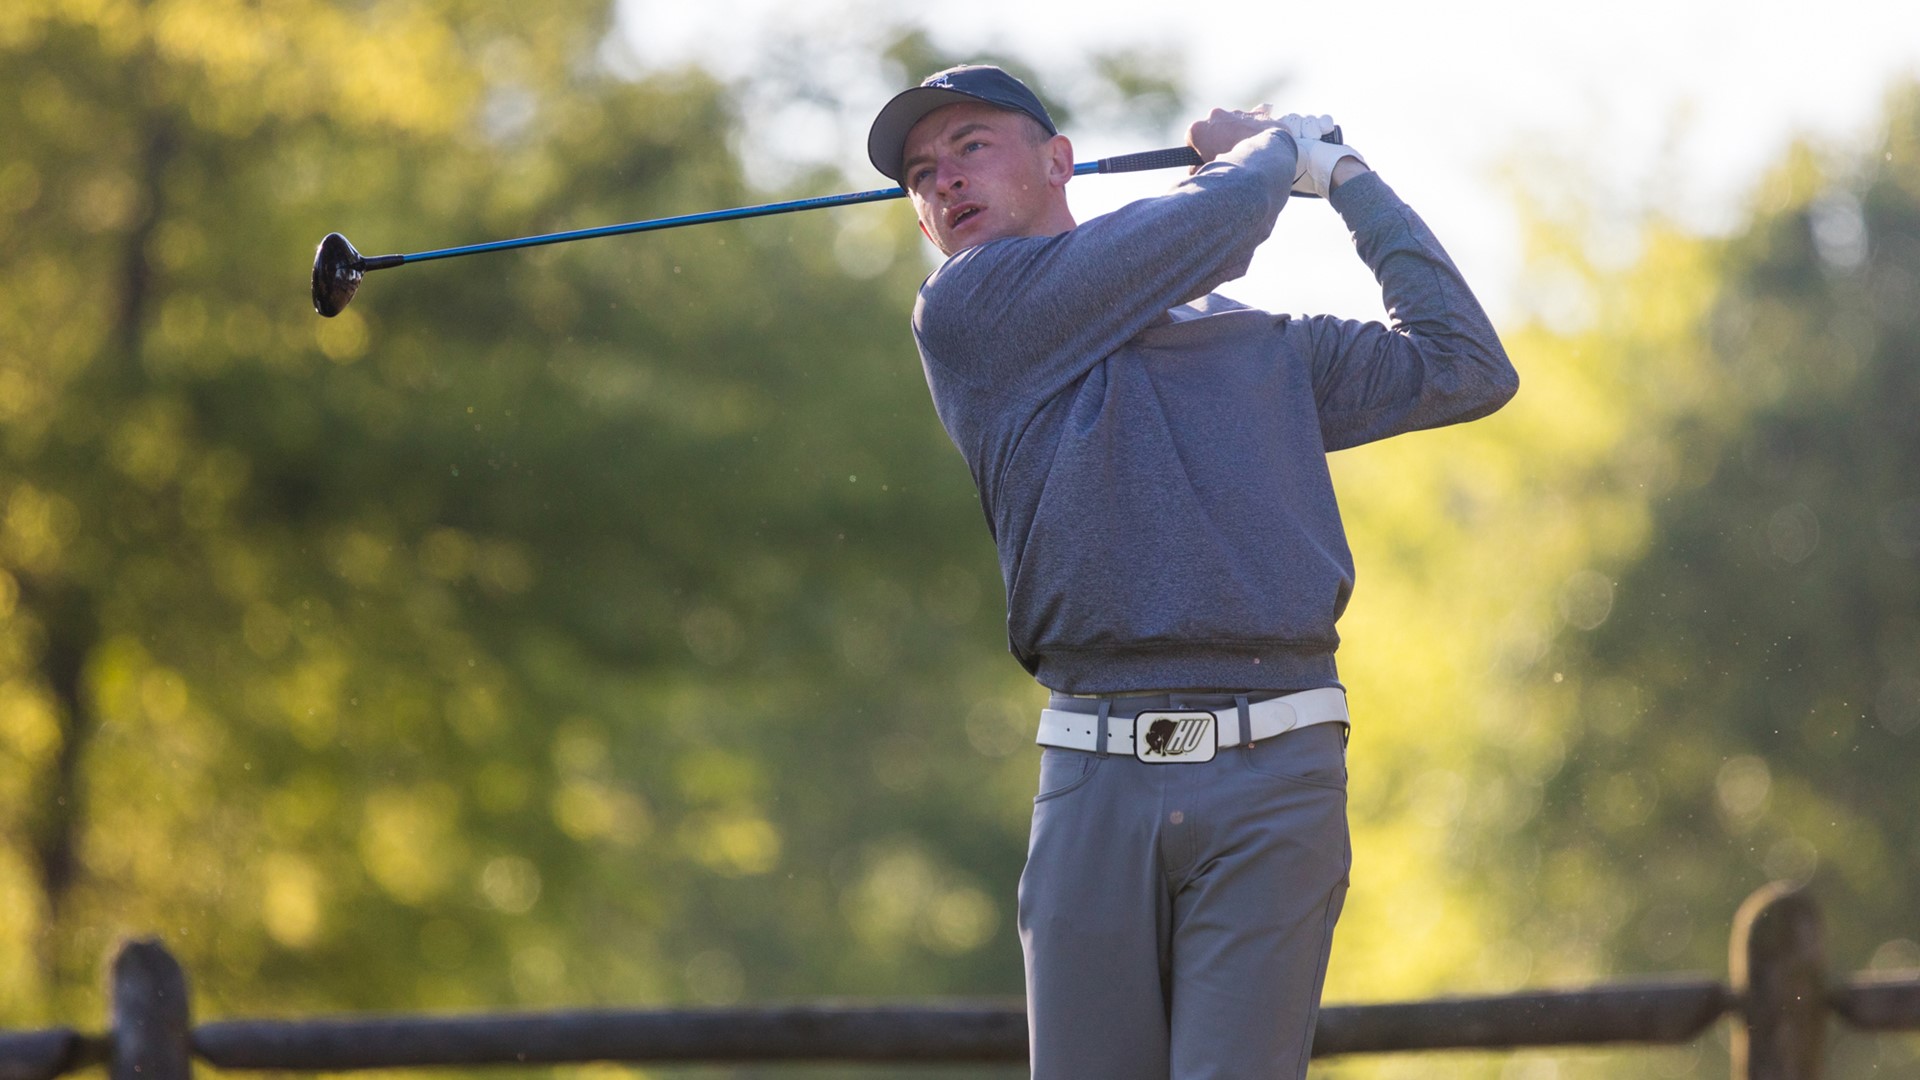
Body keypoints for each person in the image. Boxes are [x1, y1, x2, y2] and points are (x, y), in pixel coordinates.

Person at [866, 64, 1517, 1079]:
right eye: (919, 173)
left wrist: (1346, 175)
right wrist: (1269, 152)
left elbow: (1467, 364)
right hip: (1093, 774)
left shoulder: (1258, 348)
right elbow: (1203, 229)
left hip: (1278, 771)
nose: (942, 180)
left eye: (970, 147)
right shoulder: (967, 316)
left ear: (1057, 160)